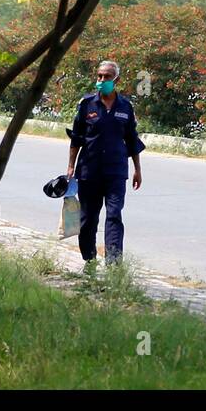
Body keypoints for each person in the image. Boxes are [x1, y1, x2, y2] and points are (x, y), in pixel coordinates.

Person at [66, 60, 144, 267]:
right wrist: (71, 167)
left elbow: (132, 139)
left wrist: (138, 170)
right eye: (99, 76)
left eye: (107, 77)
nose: (102, 80)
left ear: (116, 80)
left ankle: (113, 264)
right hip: (88, 171)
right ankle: (89, 261)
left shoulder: (126, 107)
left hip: (116, 172)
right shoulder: (86, 104)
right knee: (88, 220)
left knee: (114, 215)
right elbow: (76, 138)